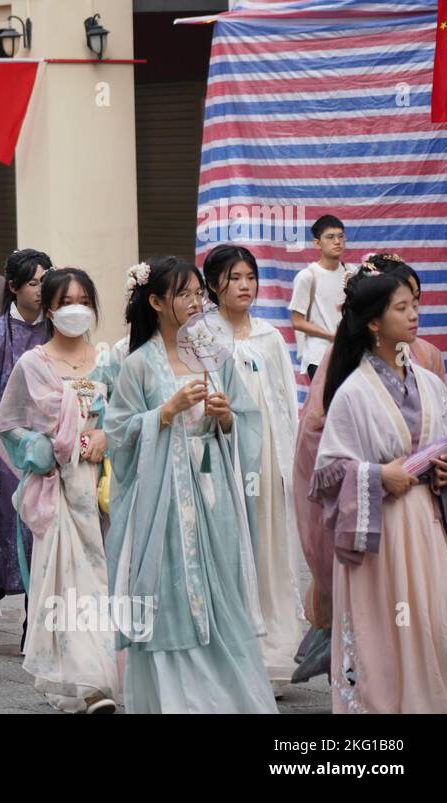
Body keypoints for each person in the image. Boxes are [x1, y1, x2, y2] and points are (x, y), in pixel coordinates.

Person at [104, 257, 276, 714]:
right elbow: (117, 434)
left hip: (213, 489)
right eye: (184, 294)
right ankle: (178, 699)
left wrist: (225, 418)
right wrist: (164, 411)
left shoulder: (212, 354)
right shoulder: (137, 365)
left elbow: (246, 416)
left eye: (199, 292)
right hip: (163, 501)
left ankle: (228, 696)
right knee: (172, 590)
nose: (196, 302)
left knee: (221, 587)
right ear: (157, 301)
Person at [290, 256, 447, 682]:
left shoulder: (432, 382)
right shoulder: (353, 390)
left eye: (415, 303)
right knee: (385, 635)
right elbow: (328, 470)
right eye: (401, 307)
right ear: (374, 323)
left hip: (429, 526)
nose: (414, 314)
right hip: (380, 529)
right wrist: (379, 476)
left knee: (437, 627)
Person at [0, 268, 119, 712]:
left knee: (104, 579)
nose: (76, 309)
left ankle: (102, 673)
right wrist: (46, 449)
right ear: (48, 308)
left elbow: (127, 416)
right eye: (66, 301)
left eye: (84, 299)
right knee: (67, 582)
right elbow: (7, 428)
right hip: (59, 491)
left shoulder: (108, 360)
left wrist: (107, 437)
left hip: (103, 488)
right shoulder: (34, 364)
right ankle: (87, 684)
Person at [202, 244, 305, 689]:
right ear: (212, 285)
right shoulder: (201, 336)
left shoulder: (269, 337)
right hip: (222, 458)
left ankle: (275, 653)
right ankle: (231, 650)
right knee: (229, 546)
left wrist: (291, 462)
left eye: (250, 277)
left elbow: (287, 404)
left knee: (269, 547)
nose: (245, 286)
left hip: (266, 459)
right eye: (234, 278)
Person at [0, 248, 51, 627]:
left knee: (42, 532)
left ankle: (31, 622)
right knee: (3, 529)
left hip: (47, 444)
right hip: (4, 448)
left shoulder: (55, 332)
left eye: (45, 281)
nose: (41, 289)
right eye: (34, 282)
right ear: (15, 286)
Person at [290, 215, 350, 379]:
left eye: (340, 236)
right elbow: (297, 321)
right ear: (317, 243)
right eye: (330, 237)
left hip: (347, 353)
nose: (337, 241)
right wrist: (331, 336)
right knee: (325, 403)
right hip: (318, 356)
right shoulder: (308, 276)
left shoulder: (351, 272)